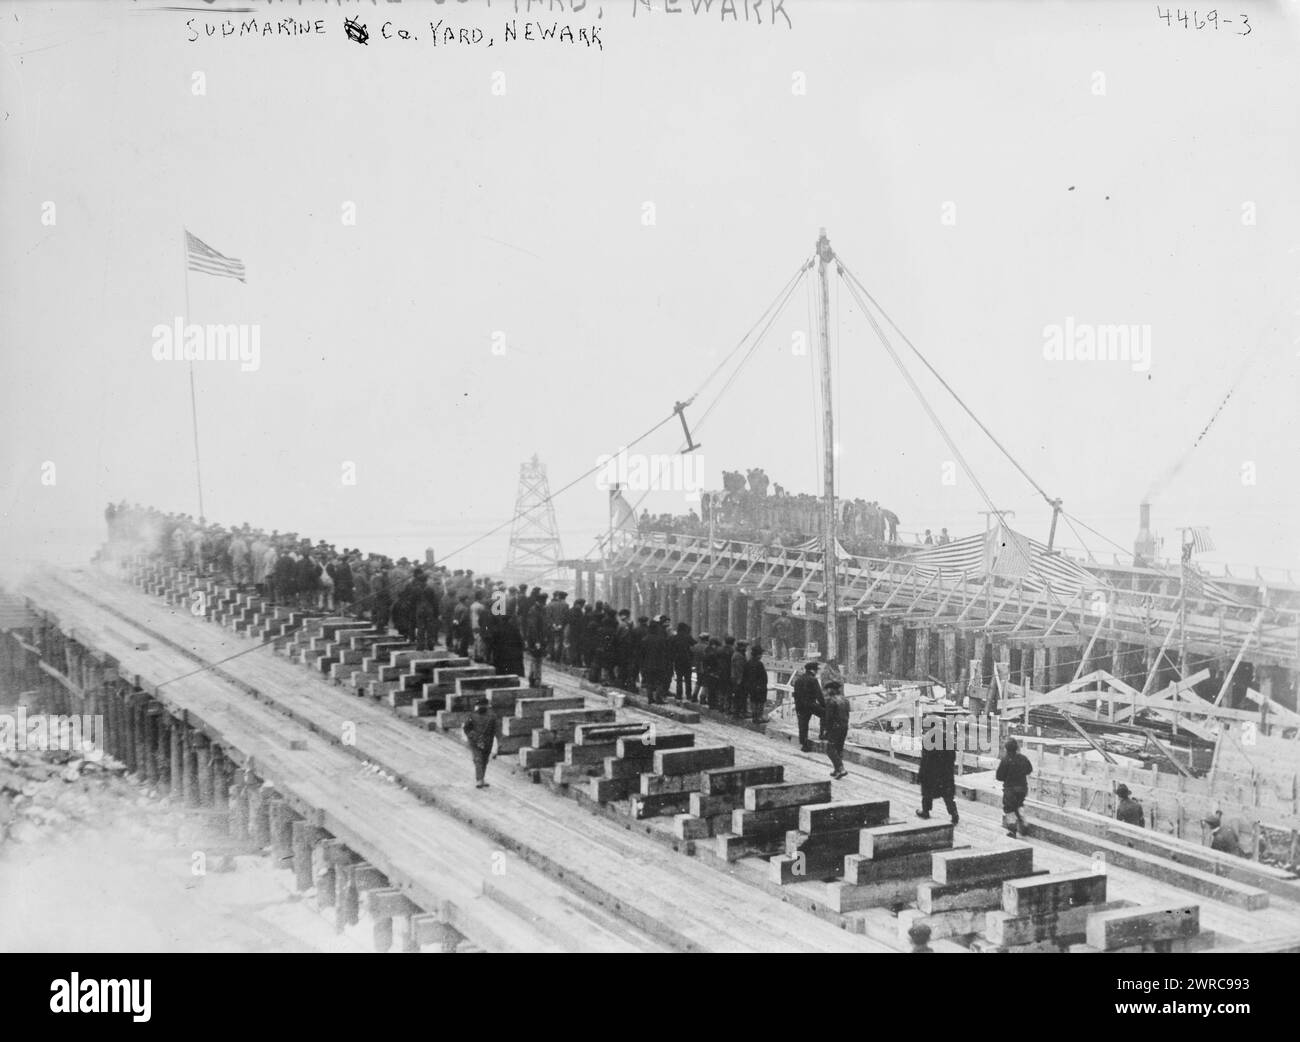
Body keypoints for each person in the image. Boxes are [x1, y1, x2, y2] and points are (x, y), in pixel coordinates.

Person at [915, 713, 959, 826]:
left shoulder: (927, 739)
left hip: (931, 773)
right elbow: (952, 757)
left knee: (927, 793)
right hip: (945, 773)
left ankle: (926, 811)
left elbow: (925, 760)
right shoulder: (947, 738)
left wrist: (920, 775)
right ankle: (954, 814)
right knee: (948, 795)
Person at [995, 737, 1033, 837]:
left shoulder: (1005, 760)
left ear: (1006, 749)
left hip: (1010, 790)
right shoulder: (1023, 758)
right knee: (1019, 805)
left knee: (1009, 809)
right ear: (1016, 748)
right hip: (1023, 788)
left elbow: (999, 776)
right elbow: (1029, 769)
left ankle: (1012, 830)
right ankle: (1024, 823)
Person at [462, 702, 498, 789]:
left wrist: (494, 742)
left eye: (483, 705)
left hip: (487, 741)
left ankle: (482, 778)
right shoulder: (472, 716)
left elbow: (495, 730)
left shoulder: (492, 716)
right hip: (476, 741)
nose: (482, 707)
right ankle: (479, 780)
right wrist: (472, 736)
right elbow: (466, 728)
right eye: (480, 705)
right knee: (478, 759)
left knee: (485, 760)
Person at [792, 662, 824, 751]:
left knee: (803, 724)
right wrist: (824, 706)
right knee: (825, 714)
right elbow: (819, 695)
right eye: (816, 670)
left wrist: (797, 706)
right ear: (812, 670)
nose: (817, 672)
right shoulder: (813, 680)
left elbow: (795, 694)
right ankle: (822, 734)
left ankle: (804, 744)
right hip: (811, 705)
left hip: (800, 705)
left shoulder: (798, 680)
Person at [822, 680, 850, 779]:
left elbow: (829, 717)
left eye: (828, 689)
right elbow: (847, 715)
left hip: (834, 728)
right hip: (844, 727)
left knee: (830, 749)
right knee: (838, 749)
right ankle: (837, 770)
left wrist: (826, 729)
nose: (827, 691)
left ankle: (841, 768)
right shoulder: (845, 700)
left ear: (831, 690)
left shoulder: (831, 701)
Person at [743, 644, 769, 724]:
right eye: (760, 654)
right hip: (760, 687)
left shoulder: (748, 663)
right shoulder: (759, 664)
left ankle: (755, 717)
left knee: (753, 701)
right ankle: (759, 717)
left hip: (751, 686)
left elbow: (746, 675)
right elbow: (763, 676)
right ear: (758, 655)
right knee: (760, 702)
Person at [669, 622, 695, 701]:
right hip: (687, 660)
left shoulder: (675, 637)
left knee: (679, 678)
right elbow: (694, 644)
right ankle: (688, 695)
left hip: (677, 660)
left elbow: (670, 646)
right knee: (688, 678)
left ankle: (679, 694)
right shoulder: (688, 637)